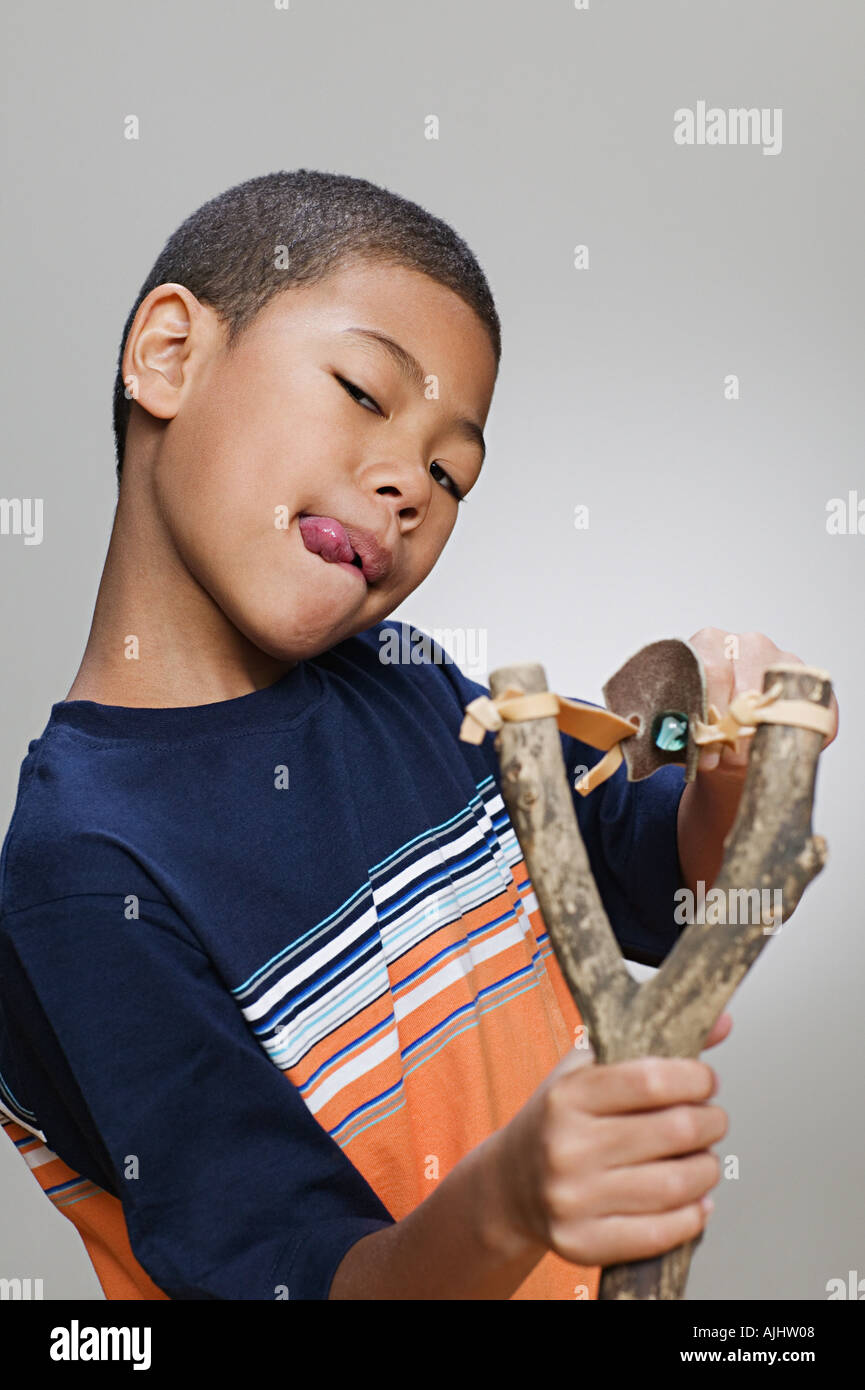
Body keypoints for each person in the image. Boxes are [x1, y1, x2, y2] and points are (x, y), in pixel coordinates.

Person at [0, 169, 832, 1301]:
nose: (410, 490)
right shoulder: (79, 877)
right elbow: (306, 1283)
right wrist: (516, 1196)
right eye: (360, 389)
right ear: (166, 356)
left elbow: (661, 887)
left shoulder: (400, 681)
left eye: (452, 474)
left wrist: (738, 774)